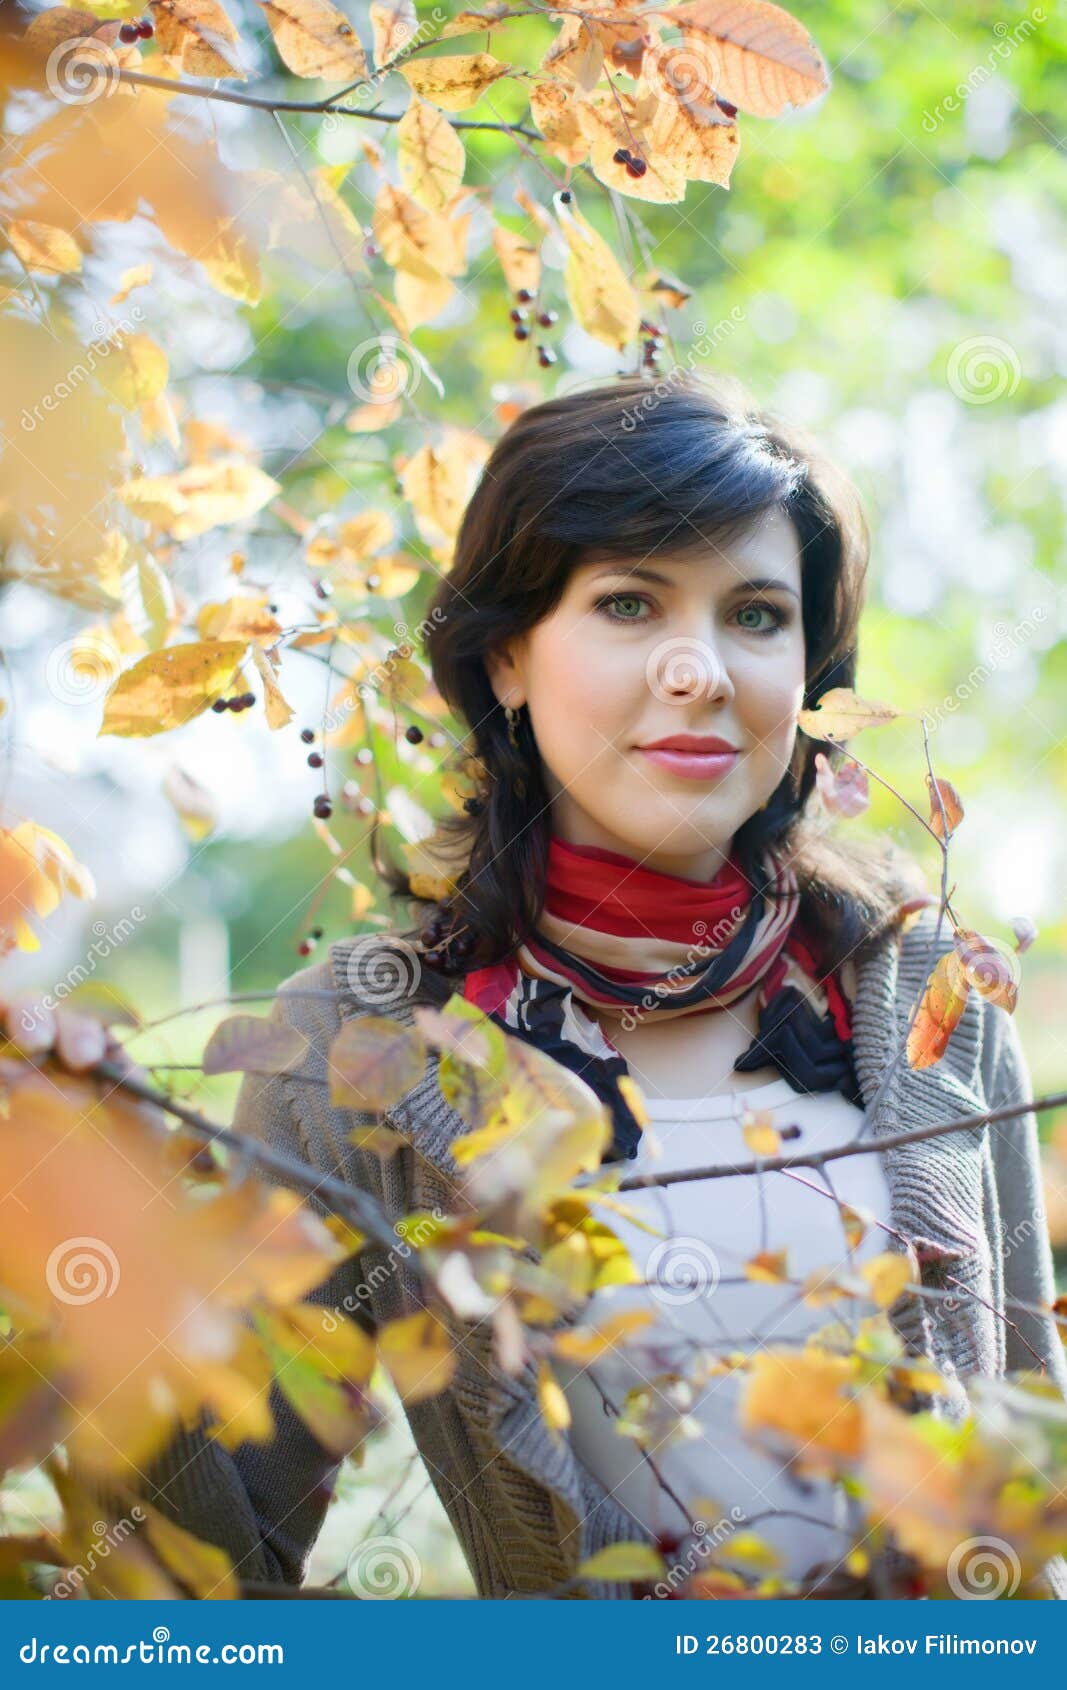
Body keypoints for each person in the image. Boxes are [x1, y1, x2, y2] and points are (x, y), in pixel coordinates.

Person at [112, 373, 1067, 1598]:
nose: (700, 672)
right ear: (506, 656)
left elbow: (1025, 1462)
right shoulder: (363, 1042)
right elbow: (204, 1573)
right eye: (627, 602)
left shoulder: (921, 996)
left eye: (757, 615)